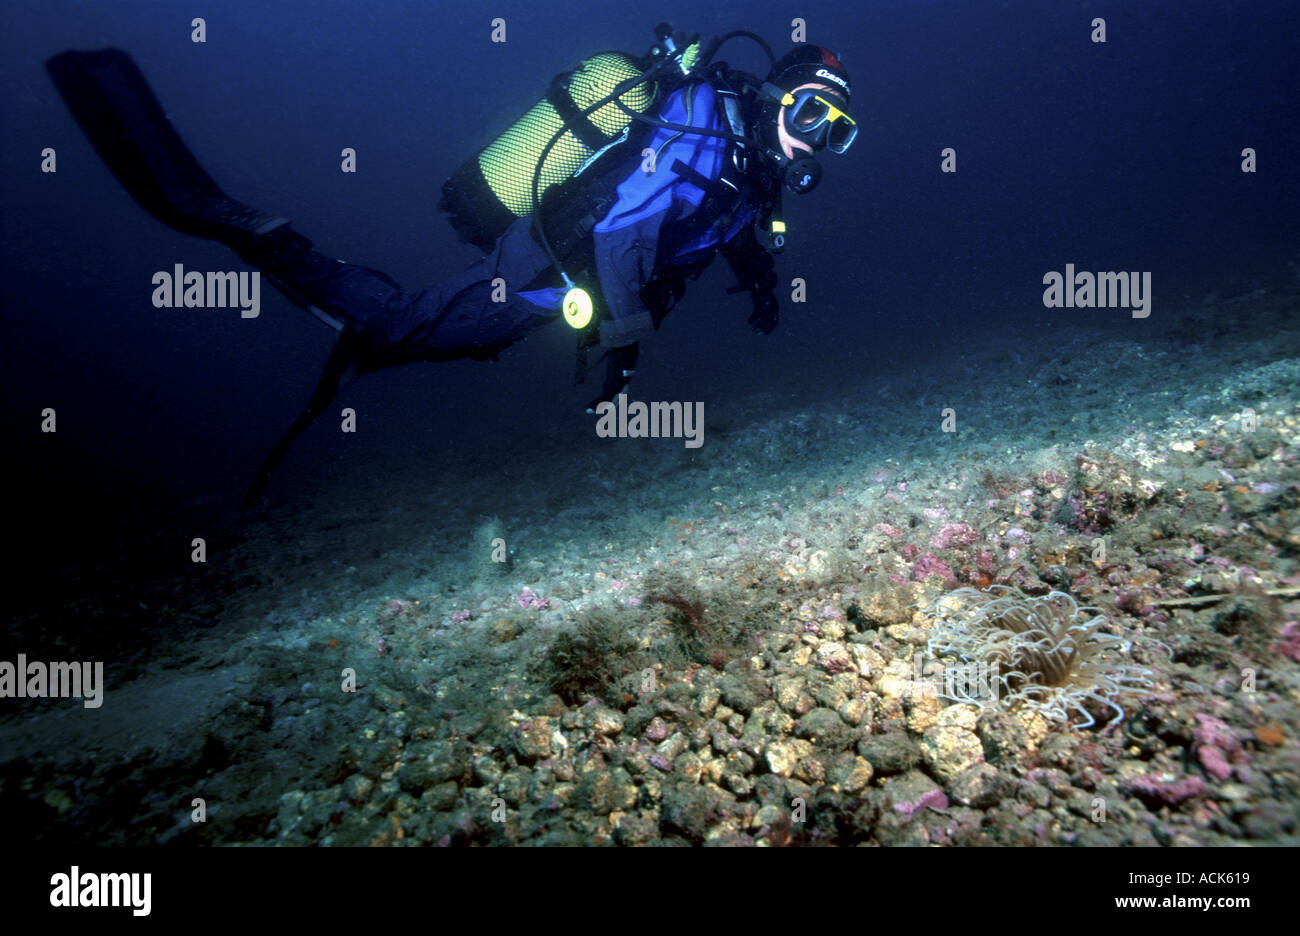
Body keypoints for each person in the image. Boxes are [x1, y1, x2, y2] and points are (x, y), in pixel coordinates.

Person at [46, 29, 856, 499]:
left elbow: (733, 228)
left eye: (836, 132)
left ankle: (307, 276)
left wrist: (761, 290)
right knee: (401, 330)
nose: (816, 140)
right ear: (776, 98)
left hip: (570, 284)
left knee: (445, 337)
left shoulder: (746, 163)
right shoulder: (699, 126)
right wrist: (627, 343)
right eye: (812, 115)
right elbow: (621, 236)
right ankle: (258, 234)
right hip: (546, 262)